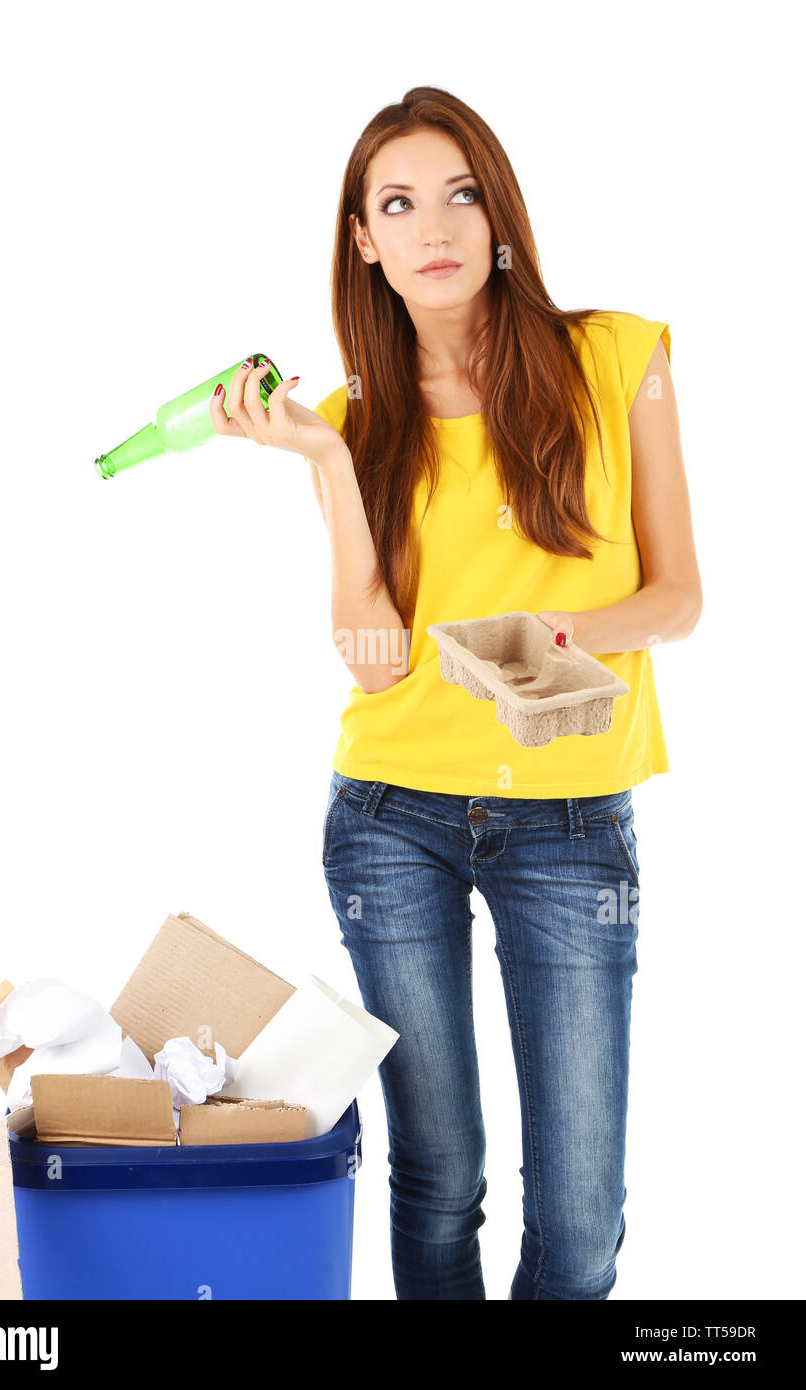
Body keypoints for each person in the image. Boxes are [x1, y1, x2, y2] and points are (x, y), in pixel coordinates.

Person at [208, 85, 702, 1301]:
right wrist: (325, 463)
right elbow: (371, 658)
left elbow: (680, 596)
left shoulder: (615, 357)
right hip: (391, 819)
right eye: (397, 204)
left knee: (580, 1217)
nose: (434, 225)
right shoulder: (350, 423)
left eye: (459, 193)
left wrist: (562, 633)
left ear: (497, 214)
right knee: (437, 1175)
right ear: (362, 240)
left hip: (573, 818)